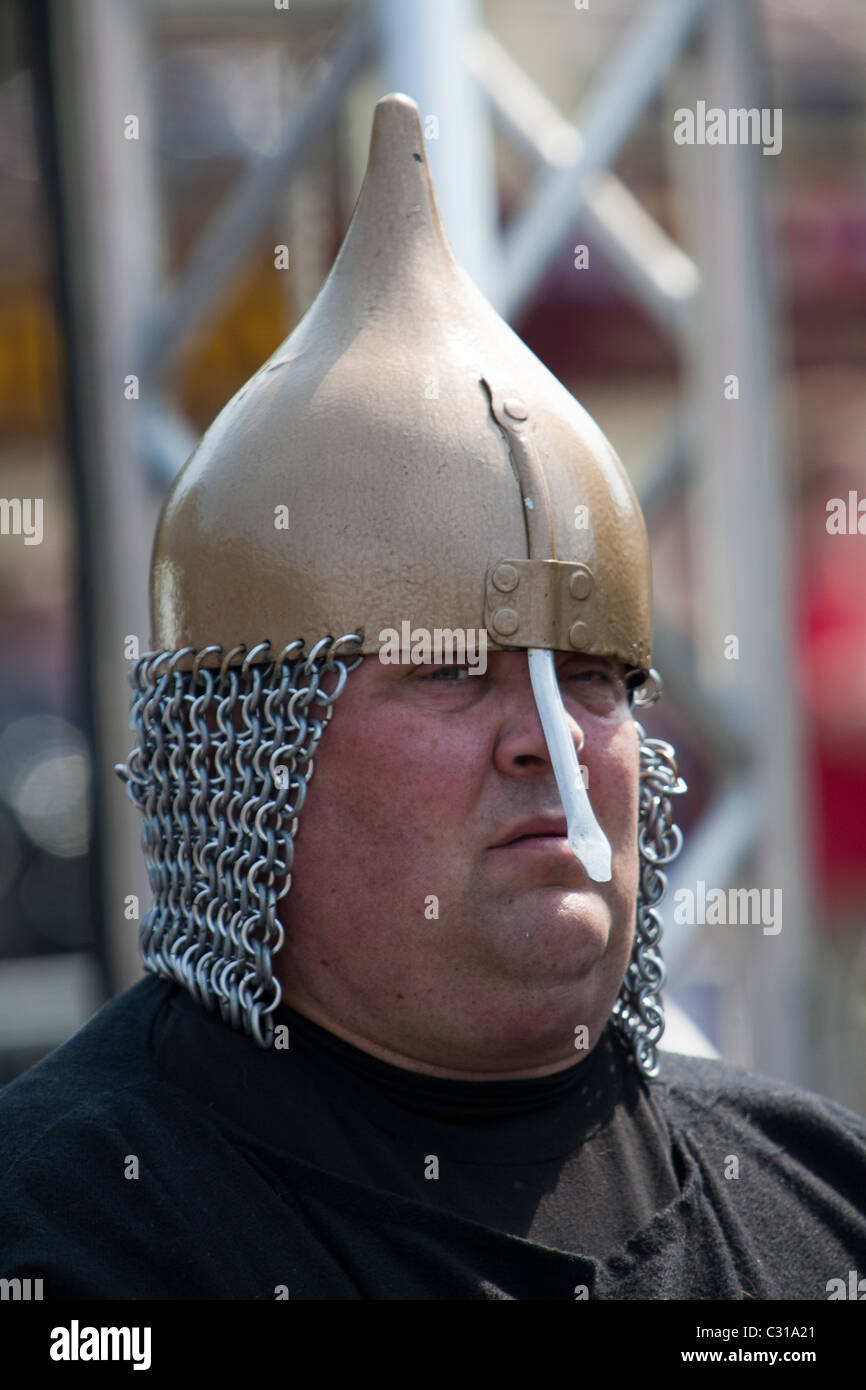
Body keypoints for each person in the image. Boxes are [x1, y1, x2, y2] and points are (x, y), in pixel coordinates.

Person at [1, 94, 864, 1303]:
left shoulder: (814, 1209)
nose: (551, 740)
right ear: (254, 751)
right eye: (453, 668)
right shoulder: (82, 1237)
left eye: (595, 676)